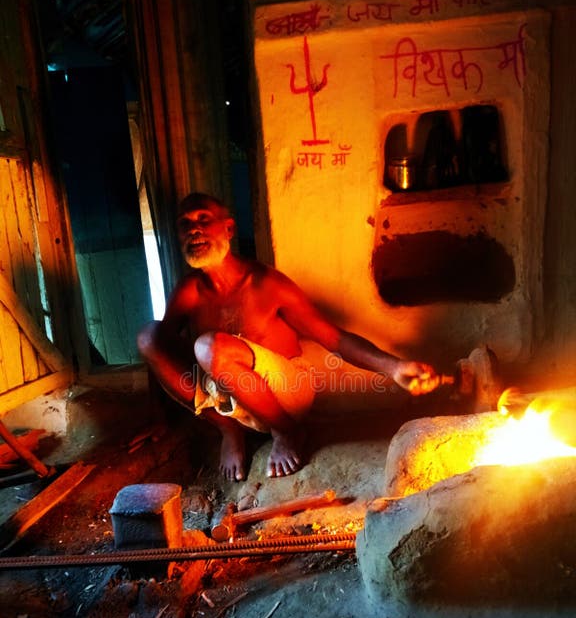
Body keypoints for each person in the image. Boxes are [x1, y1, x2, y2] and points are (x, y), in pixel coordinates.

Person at [138, 192, 440, 482]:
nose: (194, 230)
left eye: (203, 219)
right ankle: (229, 431)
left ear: (228, 228)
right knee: (149, 336)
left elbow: (334, 338)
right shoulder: (189, 291)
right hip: (232, 402)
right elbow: (161, 353)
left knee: (209, 346)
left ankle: (287, 432)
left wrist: (394, 368)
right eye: (185, 224)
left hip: (286, 392)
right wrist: (157, 416)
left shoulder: (265, 283)